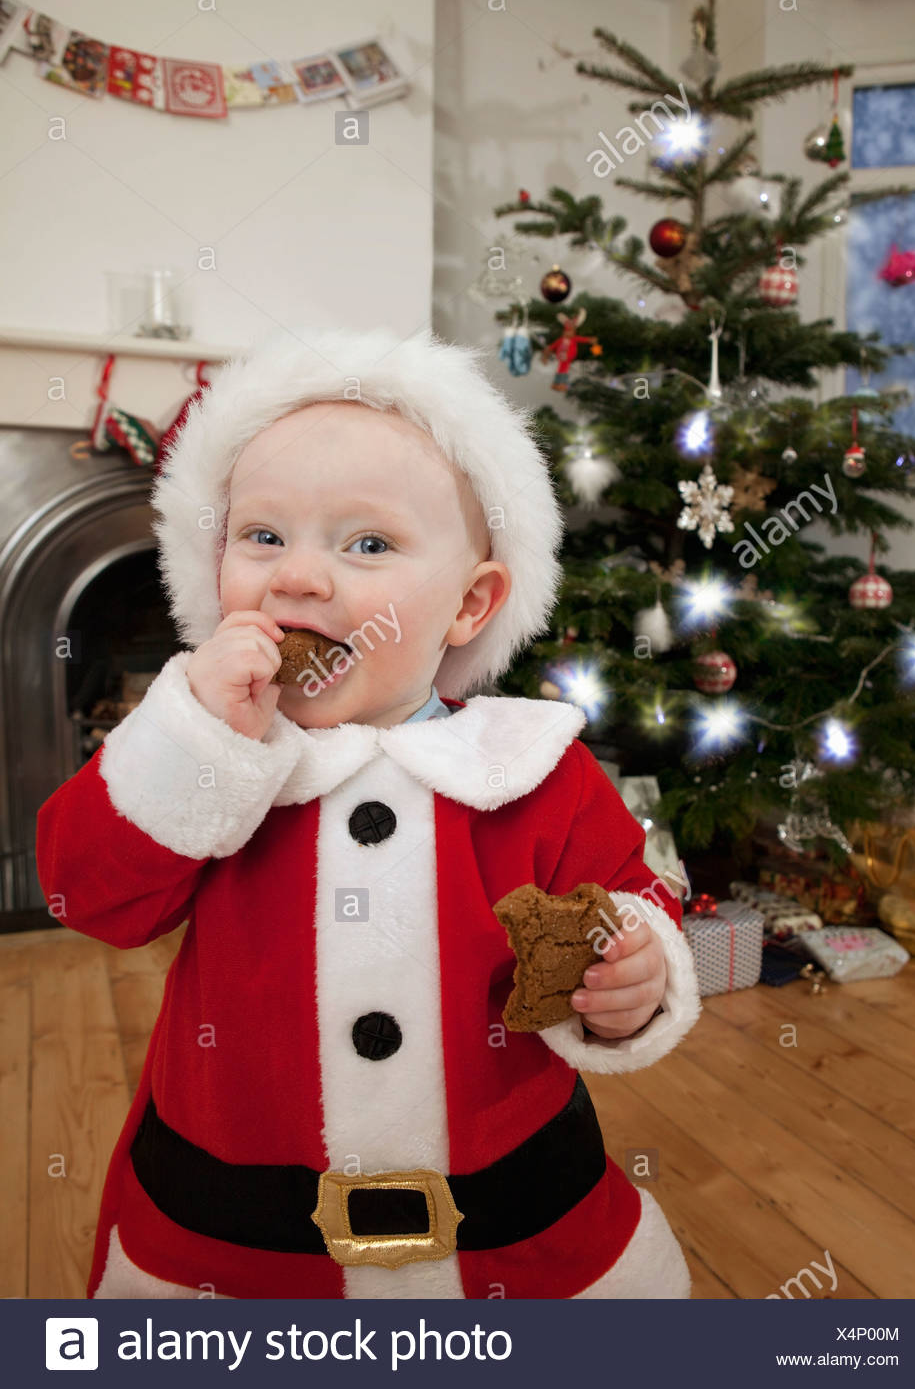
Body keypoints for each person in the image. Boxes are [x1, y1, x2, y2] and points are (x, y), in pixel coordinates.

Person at [35, 326, 701, 1300]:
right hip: (242, 1236)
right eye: (263, 536)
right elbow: (80, 892)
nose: (297, 576)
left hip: (510, 1231)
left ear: (469, 606)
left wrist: (633, 969)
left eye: (368, 543)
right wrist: (185, 740)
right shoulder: (212, 753)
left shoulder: (530, 768)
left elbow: (632, 897)